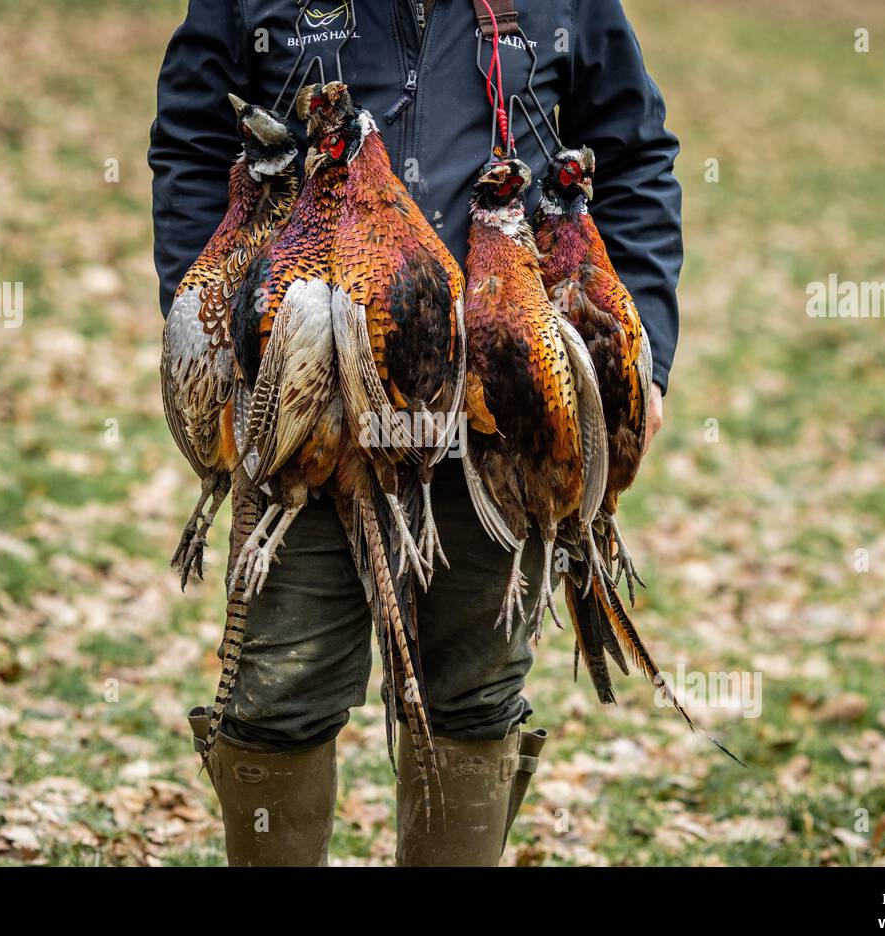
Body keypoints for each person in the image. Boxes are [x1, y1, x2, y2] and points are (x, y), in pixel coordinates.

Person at [149, 0, 680, 866]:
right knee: (277, 693)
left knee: (473, 697)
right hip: (310, 401)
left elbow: (635, 153)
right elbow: (191, 139)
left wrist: (642, 353)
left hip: (502, 403)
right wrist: (210, 310)